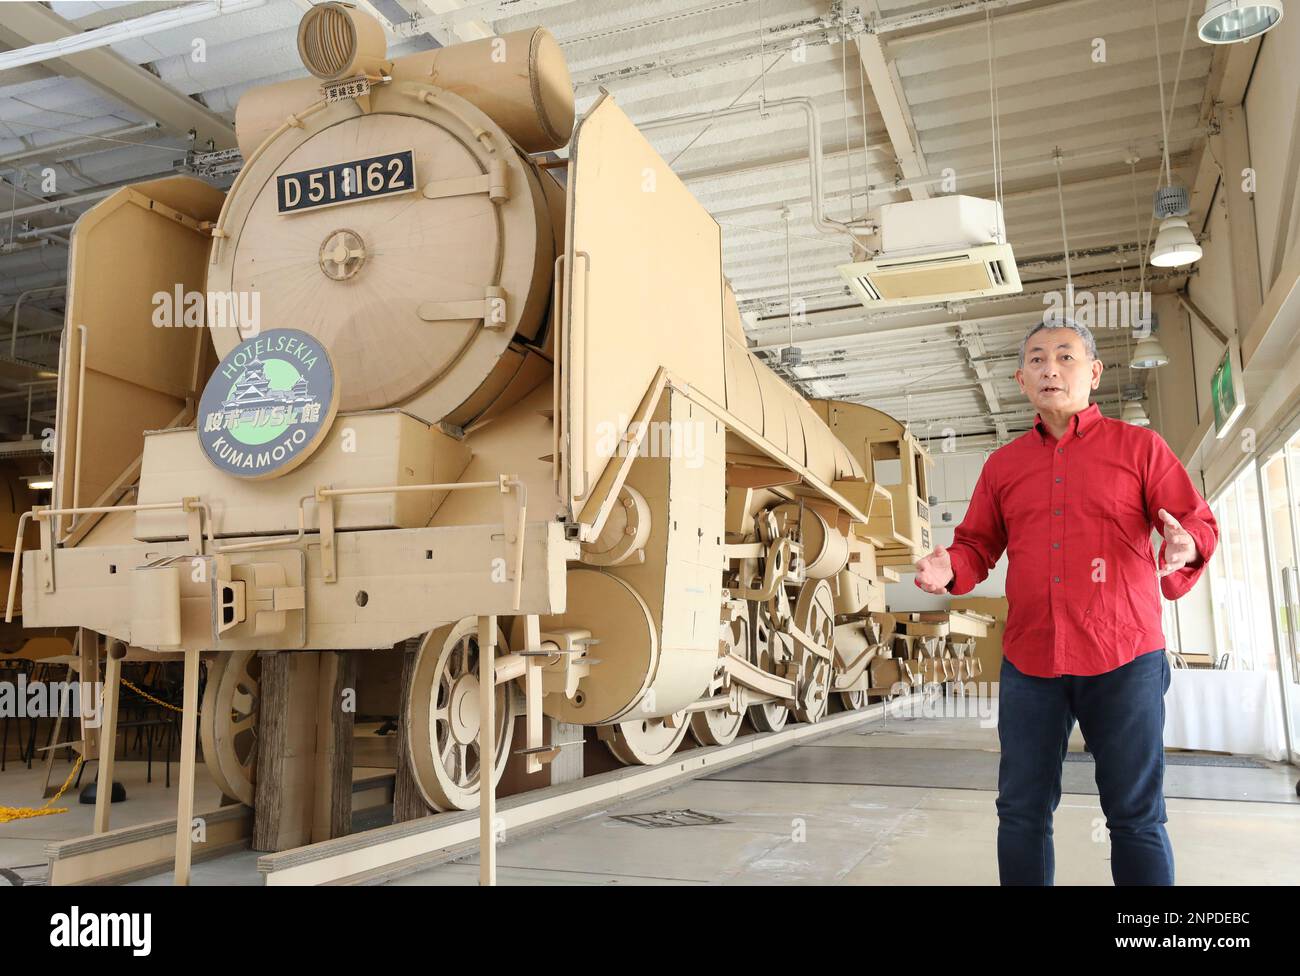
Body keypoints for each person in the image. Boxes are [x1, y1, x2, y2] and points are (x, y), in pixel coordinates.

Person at [913, 316, 1218, 885]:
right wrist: (947, 566)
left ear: (1094, 373)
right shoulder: (1003, 466)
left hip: (1124, 657)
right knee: (1021, 811)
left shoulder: (1140, 448)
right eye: (1035, 359)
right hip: (1033, 660)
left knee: (1135, 815)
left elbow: (1195, 521)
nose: (1049, 367)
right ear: (1021, 380)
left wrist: (1185, 544)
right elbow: (977, 545)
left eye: (1065, 356)